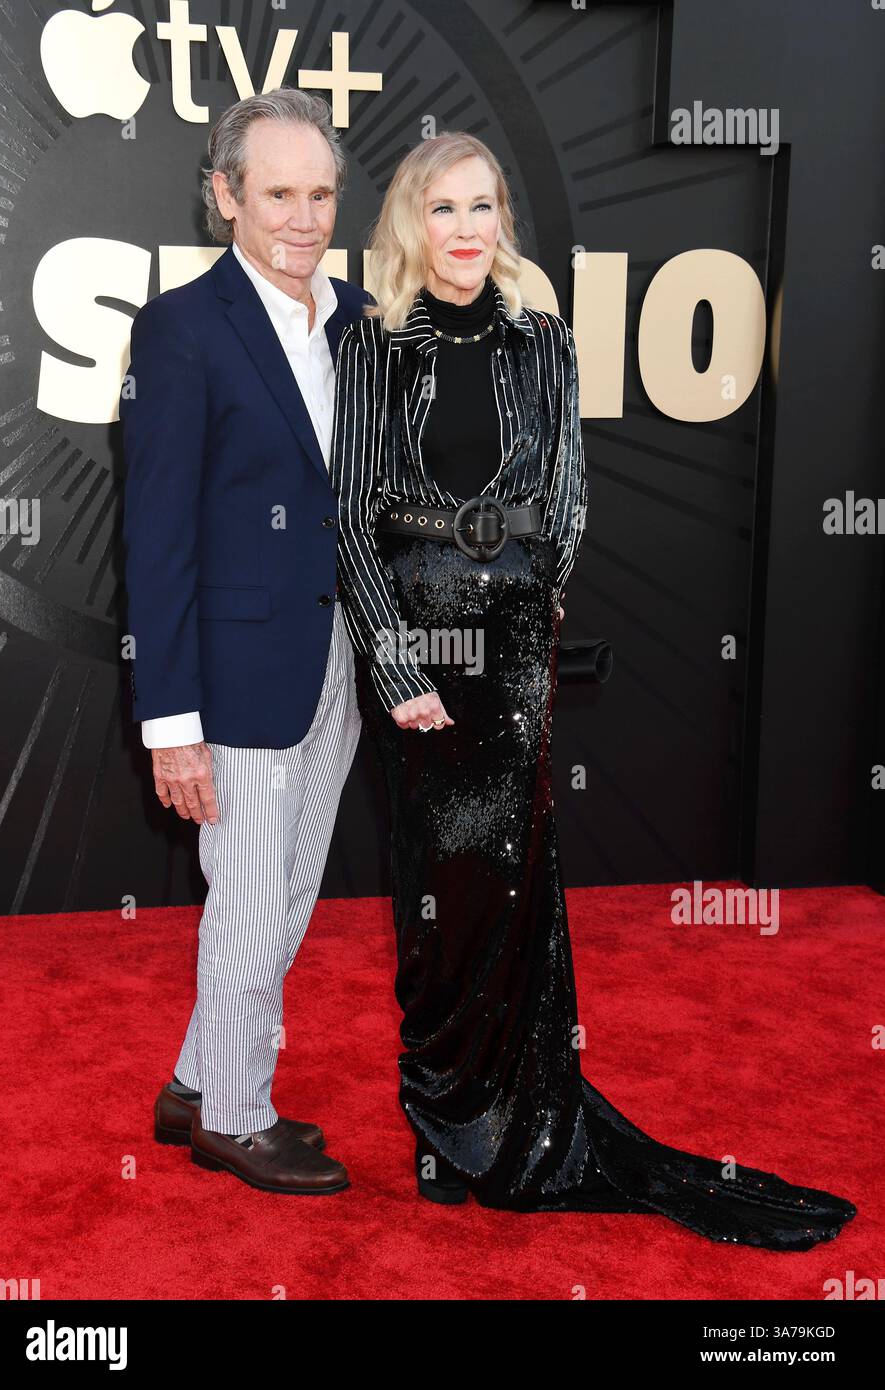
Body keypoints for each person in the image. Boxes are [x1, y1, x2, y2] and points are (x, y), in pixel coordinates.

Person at [328, 131, 857, 1249]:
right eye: (442, 208)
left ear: (502, 217)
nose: (465, 229)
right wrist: (393, 654)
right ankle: (439, 1119)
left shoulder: (546, 342)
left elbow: (569, 501)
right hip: (416, 640)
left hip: (513, 647)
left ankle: (517, 1114)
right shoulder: (374, 342)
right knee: (434, 886)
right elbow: (349, 516)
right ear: (412, 224)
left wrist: (526, 608)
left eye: (482, 206)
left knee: (511, 885)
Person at [121, 89, 367, 1194]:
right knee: (253, 903)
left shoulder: (357, 320)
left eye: (319, 193)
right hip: (231, 683)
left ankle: (190, 1082)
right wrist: (172, 726)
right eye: (278, 194)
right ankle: (234, 1113)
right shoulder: (181, 329)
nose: (303, 218)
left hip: (337, 670)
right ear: (225, 196)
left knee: (290, 900)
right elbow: (157, 540)